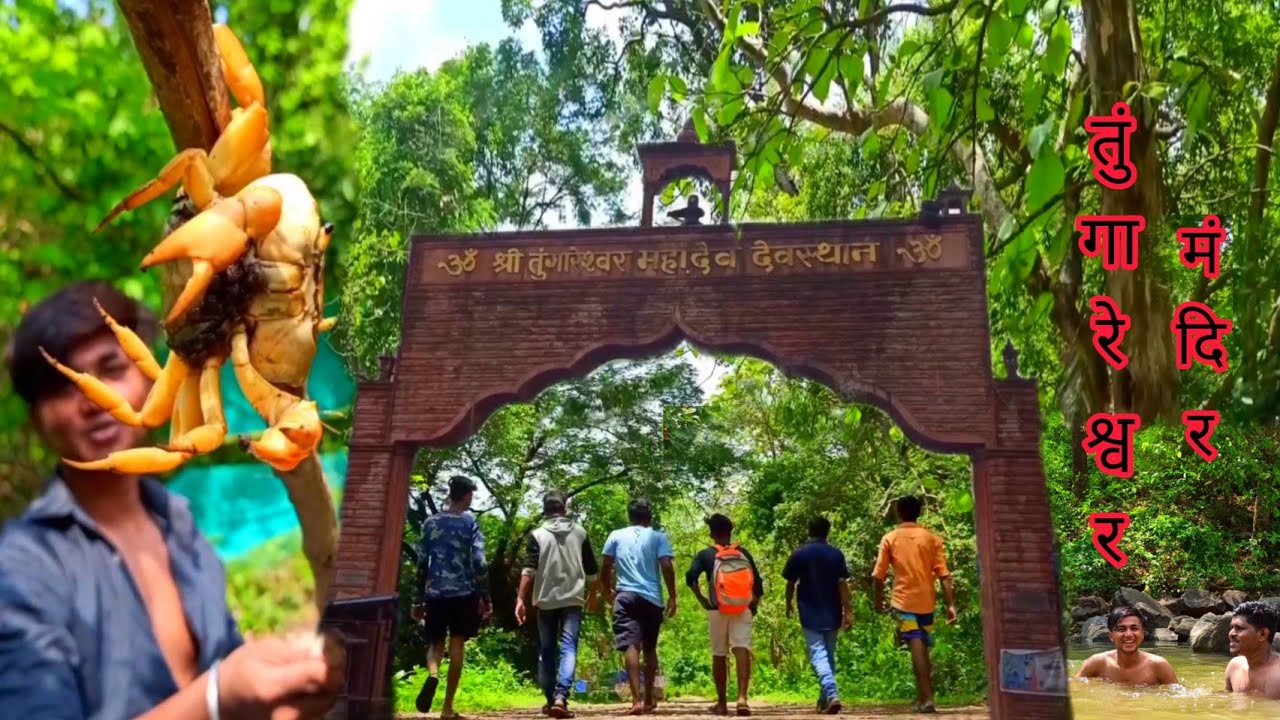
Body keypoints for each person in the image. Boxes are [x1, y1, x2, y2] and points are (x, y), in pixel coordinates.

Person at [0, 280, 344, 719]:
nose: (94, 398)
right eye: (64, 386)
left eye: (112, 368)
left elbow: (230, 672)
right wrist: (218, 697)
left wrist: (280, 696)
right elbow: (221, 692)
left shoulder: (178, 522)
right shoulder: (21, 567)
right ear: (36, 420)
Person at [411, 475, 493, 718]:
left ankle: (433, 674)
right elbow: (479, 561)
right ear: (467, 495)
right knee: (457, 642)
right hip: (463, 593)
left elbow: (421, 563)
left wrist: (417, 599)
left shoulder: (430, 523)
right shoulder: (469, 524)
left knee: (435, 643)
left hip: (435, 592)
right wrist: (485, 596)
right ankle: (447, 708)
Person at [514, 491, 599, 719]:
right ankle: (561, 697)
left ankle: (551, 699)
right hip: (572, 599)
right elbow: (591, 570)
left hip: (546, 599)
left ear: (545, 510)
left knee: (547, 649)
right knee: (569, 646)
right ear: (564, 508)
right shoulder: (580, 532)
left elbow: (529, 570)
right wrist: (593, 595)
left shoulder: (537, 535)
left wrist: (521, 599)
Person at [871, 495, 957, 713]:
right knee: (923, 647)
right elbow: (944, 575)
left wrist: (878, 601)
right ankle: (923, 696)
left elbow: (878, 576)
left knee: (916, 644)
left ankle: (927, 698)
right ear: (919, 512)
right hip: (927, 601)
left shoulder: (890, 538)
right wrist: (950, 604)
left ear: (899, 512)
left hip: (903, 601)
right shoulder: (931, 538)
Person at [600, 498, 677, 716]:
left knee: (631, 646)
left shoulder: (616, 535)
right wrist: (672, 596)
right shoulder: (658, 537)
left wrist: (606, 589)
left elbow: (605, 564)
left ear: (629, 516)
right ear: (649, 516)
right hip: (652, 599)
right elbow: (666, 566)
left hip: (625, 597)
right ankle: (651, 697)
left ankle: (636, 700)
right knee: (650, 647)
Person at [685, 513, 764, 717]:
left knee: (719, 654)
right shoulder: (743, 554)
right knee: (742, 649)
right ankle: (742, 699)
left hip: (717, 609)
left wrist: (701, 598)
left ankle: (721, 703)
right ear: (730, 532)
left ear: (711, 533)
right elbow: (758, 585)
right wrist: (752, 605)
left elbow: (690, 577)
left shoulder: (705, 555)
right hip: (742, 609)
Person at [782, 515, 853, 715]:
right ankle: (825, 700)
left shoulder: (799, 554)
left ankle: (831, 694)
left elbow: (790, 583)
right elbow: (842, 584)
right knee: (828, 655)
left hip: (809, 611)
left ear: (809, 530)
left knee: (818, 654)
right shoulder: (836, 554)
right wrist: (848, 610)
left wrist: (789, 604)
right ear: (827, 532)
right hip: (832, 610)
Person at [1075, 606, 1178, 685]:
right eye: (1121, 629)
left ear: (1142, 634)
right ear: (1111, 636)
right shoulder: (1098, 662)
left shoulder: (1158, 665)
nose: (1128, 634)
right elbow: (1074, 687)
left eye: (1134, 628)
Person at [1224, 600, 1280, 698]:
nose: (1231, 633)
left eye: (1239, 628)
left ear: (1263, 634)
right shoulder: (1234, 667)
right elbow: (1227, 700)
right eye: (1231, 627)